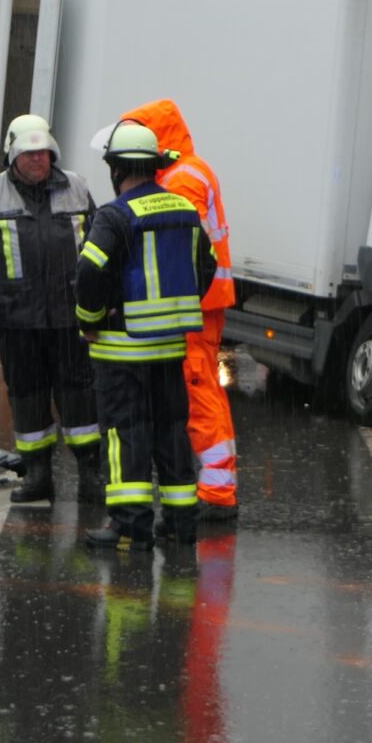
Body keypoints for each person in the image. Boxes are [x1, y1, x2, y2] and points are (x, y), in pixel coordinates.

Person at [74, 120, 215, 550]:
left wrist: (92, 319)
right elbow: (205, 267)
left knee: (126, 434)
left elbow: (88, 270)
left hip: (121, 351)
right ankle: (179, 524)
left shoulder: (114, 216)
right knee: (171, 432)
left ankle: (131, 528)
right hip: (170, 349)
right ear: (155, 167)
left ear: (116, 169)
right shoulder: (184, 212)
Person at [0, 114, 103, 504]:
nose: (38, 161)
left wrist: (104, 302)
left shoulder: (76, 188)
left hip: (71, 316)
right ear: (13, 156)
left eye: (43, 153)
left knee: (81, 395)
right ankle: (38, 475)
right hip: (17, 319)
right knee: (27, 395)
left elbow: (101, 247)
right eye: (29, 154)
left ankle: (91, 474)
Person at [124, 99, 240, 523]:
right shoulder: (185, 171)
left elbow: (173, 241)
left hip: (195, 302)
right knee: (204, 387)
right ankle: (216, 483)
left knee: (197, 393)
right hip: (201, 301)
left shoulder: (182, 178)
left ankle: (216, 491)